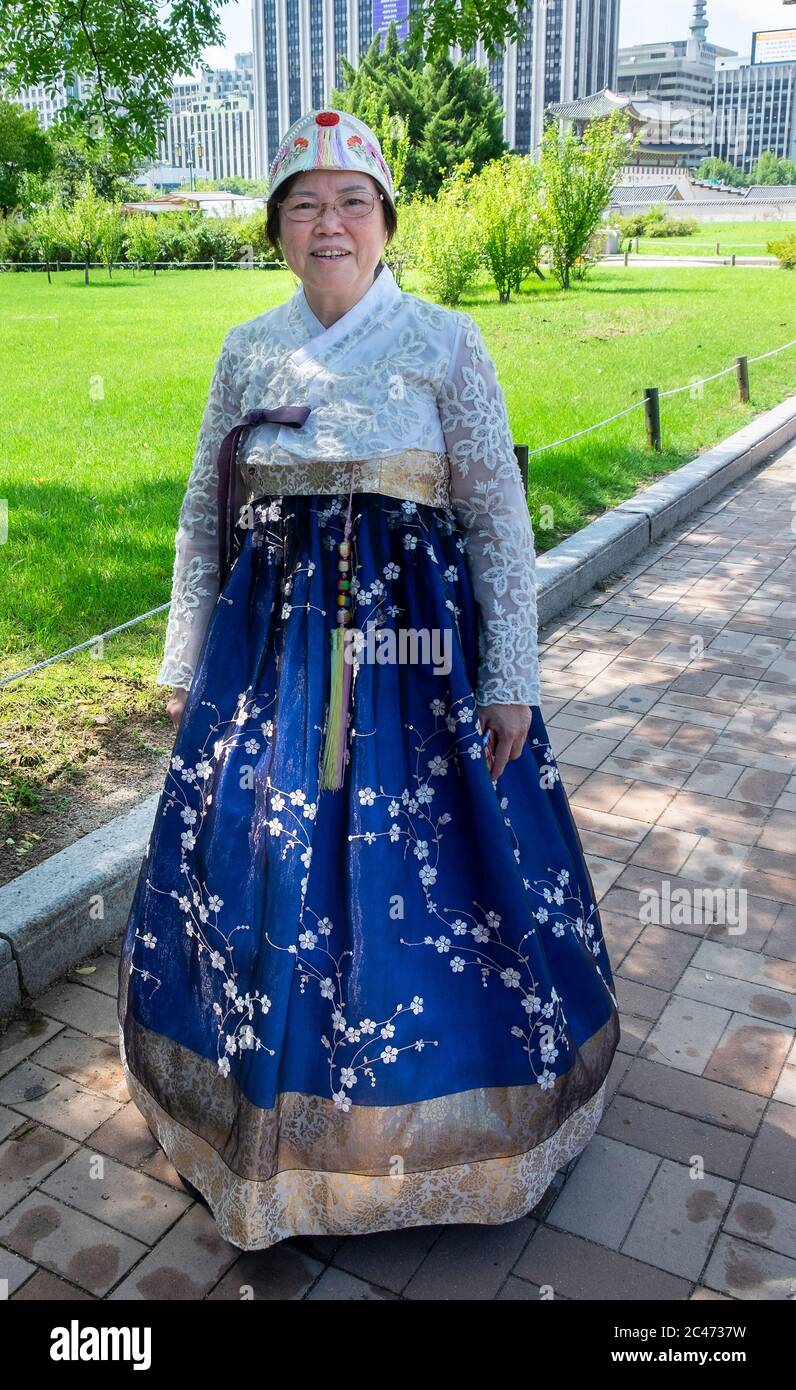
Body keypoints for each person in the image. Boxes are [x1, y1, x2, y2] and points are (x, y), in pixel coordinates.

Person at [118, 108, 620, 1253]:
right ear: (278, 229)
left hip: (413, 676)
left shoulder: (445, 344)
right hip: (272, 669)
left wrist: (510, 680)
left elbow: (496, 520)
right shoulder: (248, 348)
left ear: (386, 223)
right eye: (303, 203)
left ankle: (436, 1138)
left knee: (425, 877)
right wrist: (184, 659)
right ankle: (269, 1135)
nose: (328, 222)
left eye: (352, 203)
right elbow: (207, 515)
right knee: (267, 862)